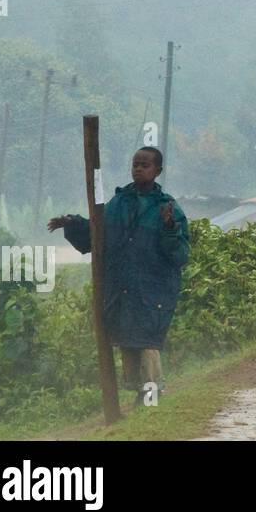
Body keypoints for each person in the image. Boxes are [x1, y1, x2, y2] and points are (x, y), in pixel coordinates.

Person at [48, 146, 190, 401]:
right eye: (135, 164)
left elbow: (180, 254)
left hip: (153, 288)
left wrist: (169, 226)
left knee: (147, 342)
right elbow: (98, 233)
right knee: (127, 340)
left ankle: (152, 398)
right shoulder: (118, 202)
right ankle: (139, 397)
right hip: (122, 286)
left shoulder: (168, 208)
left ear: (158, 170)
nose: (138, 169)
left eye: (145, 165)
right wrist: (73, 224)